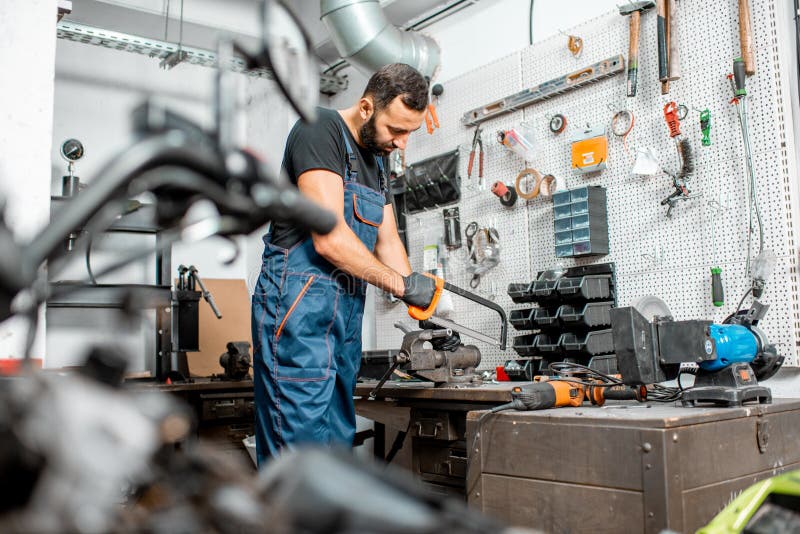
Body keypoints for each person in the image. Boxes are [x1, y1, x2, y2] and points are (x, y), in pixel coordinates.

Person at [251, 63, 459, 464]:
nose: (401, 144)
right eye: (396, 130)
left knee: (337, 438)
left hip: (343, 314)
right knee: (299, 442)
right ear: (366, 107)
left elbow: (387, 238)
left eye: (409, 133)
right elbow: (329, 239)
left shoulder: (377, 159)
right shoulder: (319, 129)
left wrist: (418, 294)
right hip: (297, 307)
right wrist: (400, 286)